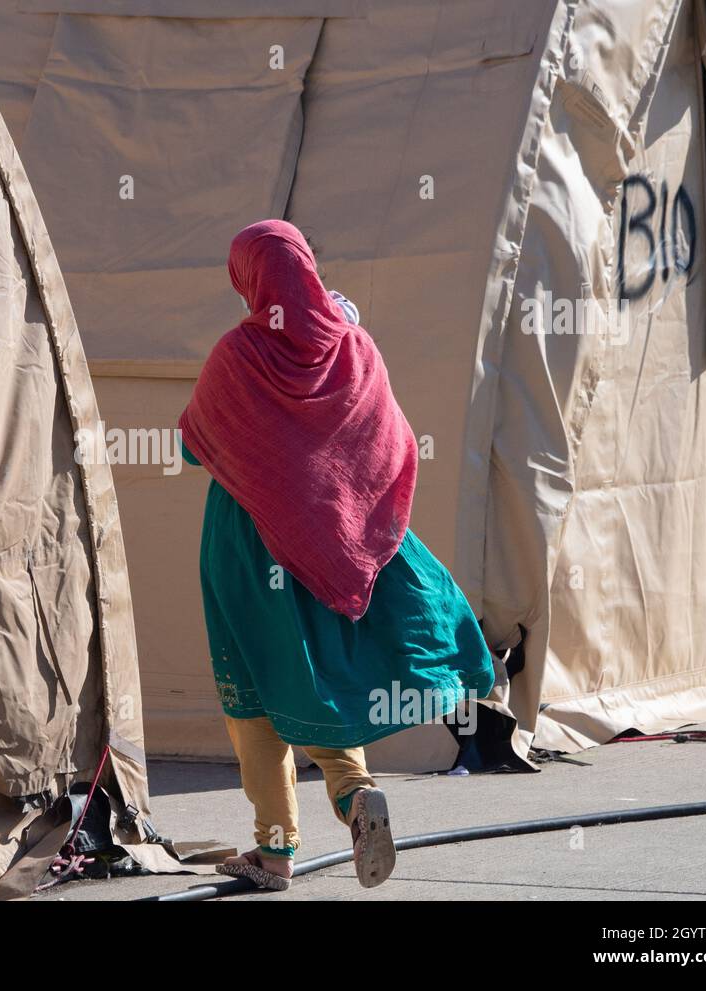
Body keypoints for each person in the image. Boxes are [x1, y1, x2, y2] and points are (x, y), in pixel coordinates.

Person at [178, 220, 495, 891]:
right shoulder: (354, 345)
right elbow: (388, 438)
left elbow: (192, 443)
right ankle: (355, 796)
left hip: (247, 545)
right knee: (313, 673)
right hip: (325, 548)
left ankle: (273, 850)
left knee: (253, 697)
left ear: (251, 280)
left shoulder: (239, 354)